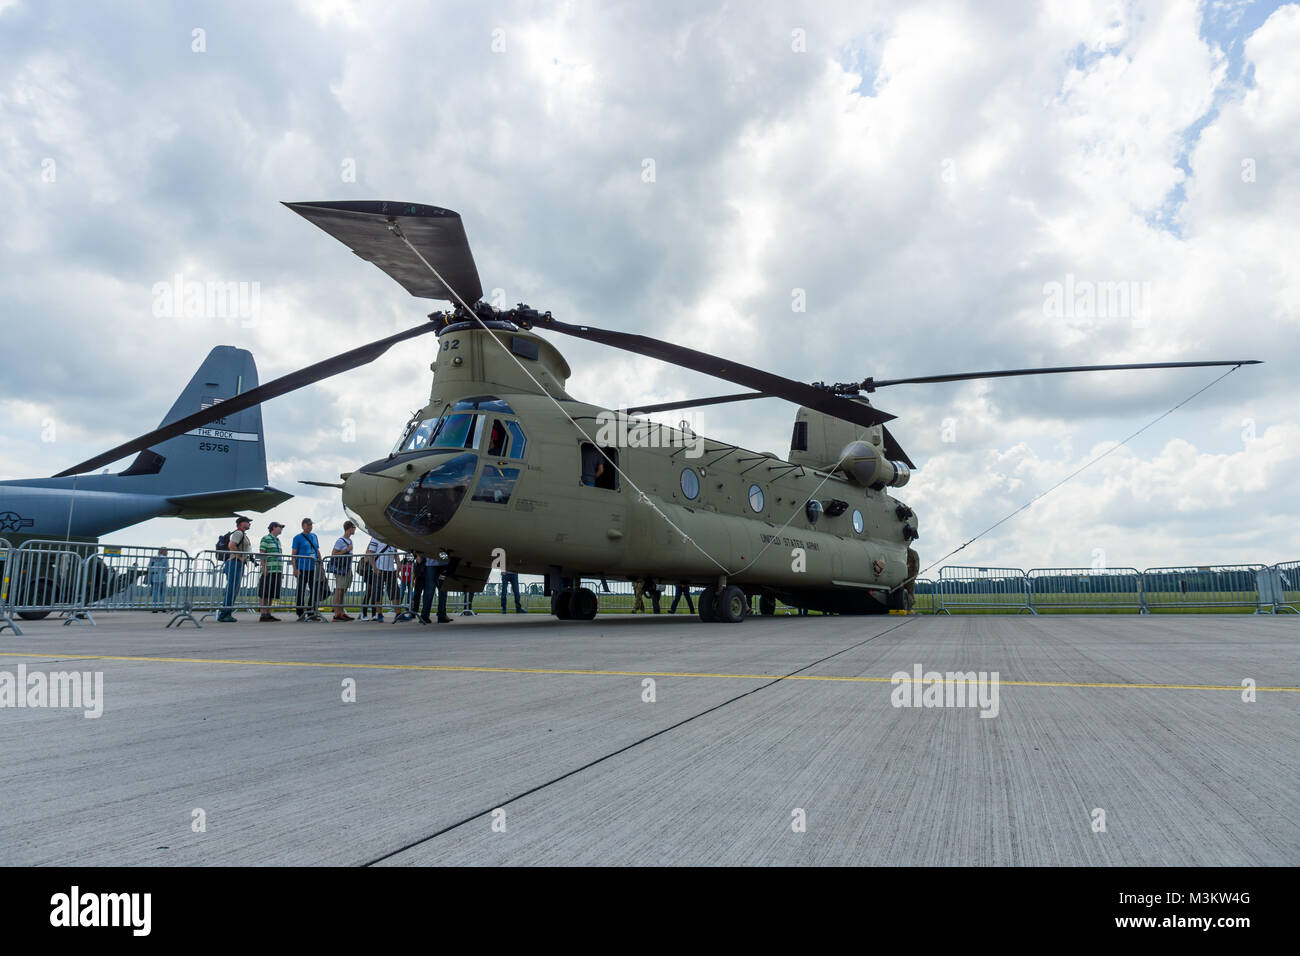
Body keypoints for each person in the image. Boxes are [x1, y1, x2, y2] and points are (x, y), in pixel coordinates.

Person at [217, 516, 254, 623]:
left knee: (233, 589)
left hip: (237, 563)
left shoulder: (242, 534)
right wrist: (240, 557)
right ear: (242, 523)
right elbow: (231, 545)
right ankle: (224, 614)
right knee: (232, 589)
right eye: (248, 522)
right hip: (235, 562)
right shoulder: (238, 533)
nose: (250, 524)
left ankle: (226, 613)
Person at [292, 518, 324, 622]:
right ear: (303, 526)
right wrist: (295, 568)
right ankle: (300, 613)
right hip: (302, 567)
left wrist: (321, 562)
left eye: (311, 525)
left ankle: (312, 611)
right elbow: (294, 554)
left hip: (313, 568)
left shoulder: (314, 536)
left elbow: (317, 550)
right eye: (308, 525)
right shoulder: (297, 538)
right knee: (301, 590)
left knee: (314, 590)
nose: (310, 527)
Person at [363, 536, 399, 622]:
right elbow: (371, 553)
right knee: (378, 592)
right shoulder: (375, 538)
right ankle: (379, 614)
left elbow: (395, 553)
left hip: (390, 570)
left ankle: (398, 614)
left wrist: (399, 565)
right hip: (379, 569)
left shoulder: (393, 538)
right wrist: (375, 568)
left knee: (394, 591)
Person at [330, 521, 357, 621]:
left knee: (343, 590)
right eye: (354, 527)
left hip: (347, 568)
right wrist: (346, 550)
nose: (355, 529)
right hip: (341, 569)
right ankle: (337, 614)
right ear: (350, 528)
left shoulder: (350, 540)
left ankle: (341, 612)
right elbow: (333, 554)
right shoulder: (340, 541)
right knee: (339, 590)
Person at [258, 522, 285, 622]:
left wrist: (281, 571)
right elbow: (262, 553)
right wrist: (263, 567)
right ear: (274, 527)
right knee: (264, 592)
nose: (281, 529)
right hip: (269, 569)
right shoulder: (266, 538)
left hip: (277, 569)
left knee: (271, 593)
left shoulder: (278, 540)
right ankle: (263, 614)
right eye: (280, 527)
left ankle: (268, 613)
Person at [420, 553, 452, 624]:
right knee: (433, 590)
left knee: (438, 590)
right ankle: (437, 615)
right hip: (435, 563)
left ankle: (429, 615)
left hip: (439, 563)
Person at [147, 547, 169, 611]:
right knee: (163, 592)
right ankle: (162, 607)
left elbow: (148, 567)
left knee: (155, 592)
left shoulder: (153, 558)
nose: (167, 552)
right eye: (166, 551)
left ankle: (154, 607)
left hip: (154, 577)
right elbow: (167, 569)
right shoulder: (165, 558)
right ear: (162, 551)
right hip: (162, 577)